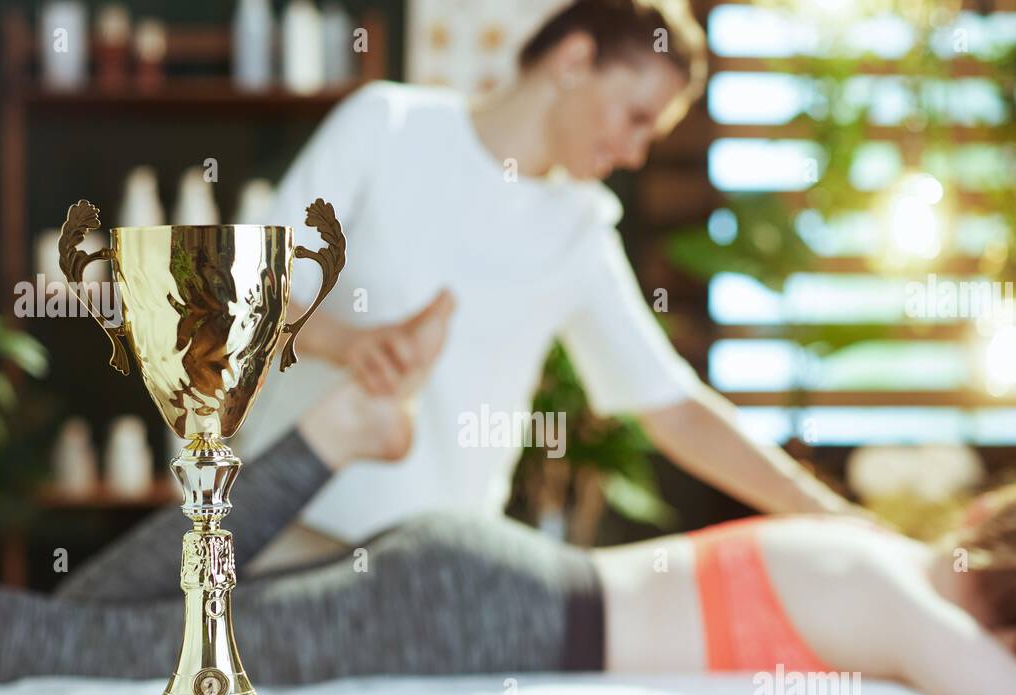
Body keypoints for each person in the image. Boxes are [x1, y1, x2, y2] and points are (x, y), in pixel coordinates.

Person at [0, 311, 1016, 695]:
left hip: (476, 582)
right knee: (94, 648)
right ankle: (328, 441)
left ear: (982, 523)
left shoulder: (870, 555)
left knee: (108, 621)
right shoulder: (918, 618)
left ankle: (329, 442)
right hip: (474, 612)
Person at [238, 0, 858, 564]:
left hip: (436, 572)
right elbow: (249, 290)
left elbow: (674, 408)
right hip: (285, 533)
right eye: (636, 117)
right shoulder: (386, 126)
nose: (635, 153)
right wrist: (349, 343)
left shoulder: (581, 229)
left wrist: (831, 519)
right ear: (575, 59)